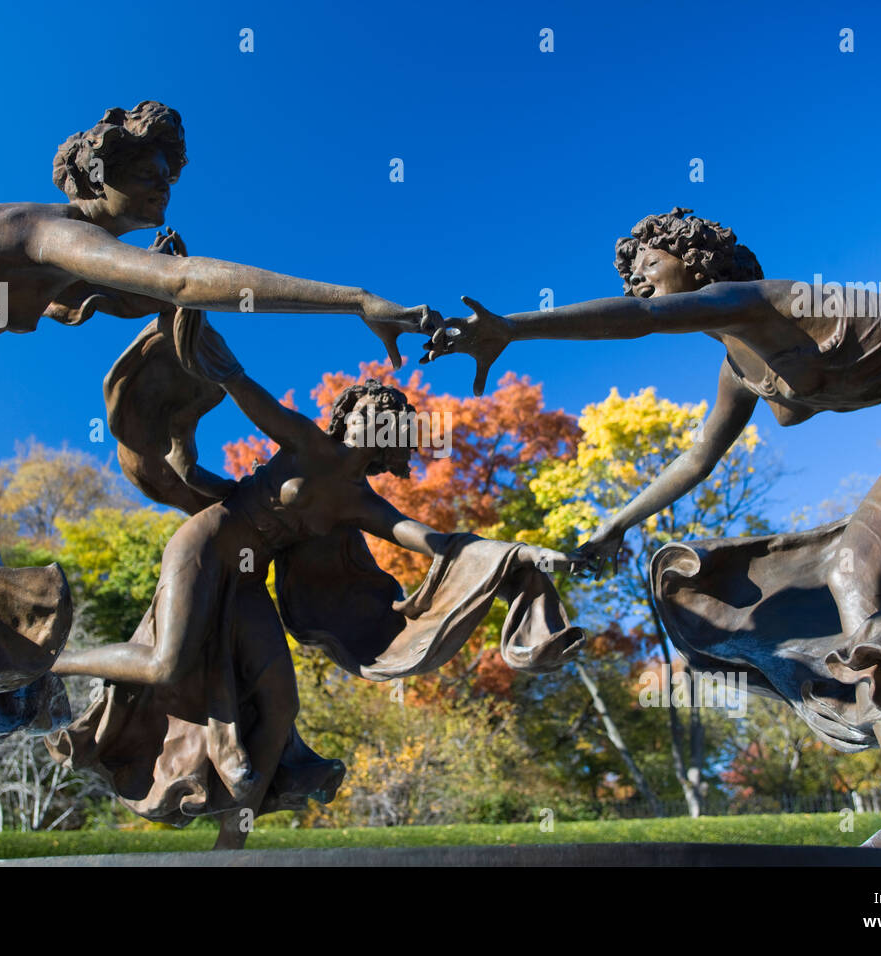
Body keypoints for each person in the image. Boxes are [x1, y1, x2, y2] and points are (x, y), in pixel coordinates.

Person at [0, 100, 438, 866]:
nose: (163, 189)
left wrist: (169, 313)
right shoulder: (53, 230)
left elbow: (148, 297)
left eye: (172, 175)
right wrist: (357, 301)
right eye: (149, 172)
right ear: (97, 171)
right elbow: (186, 282)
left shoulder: (58, 254)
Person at [425, 206, 881, 851]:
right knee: (850, 570)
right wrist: (616, 524)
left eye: (648, 264)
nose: (637, 280)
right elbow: (697, 456)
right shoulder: (737, 363)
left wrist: (511, 329)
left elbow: (637, 321)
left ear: (696, 263)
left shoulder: (755, 301)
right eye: (631, 273)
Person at [48, 314, 583, 848]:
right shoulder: (305, 441)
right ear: (346, 415)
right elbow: (243, 387)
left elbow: (437, 541)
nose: (366, 417)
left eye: (381, 417)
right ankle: (44, 659)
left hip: (248, 583)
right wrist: (190, 317)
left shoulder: (362, 503)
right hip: (204, 548)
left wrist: (520, 552)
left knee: (280, 702)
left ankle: (231, 847)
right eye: (362, 408)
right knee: (167, 662)